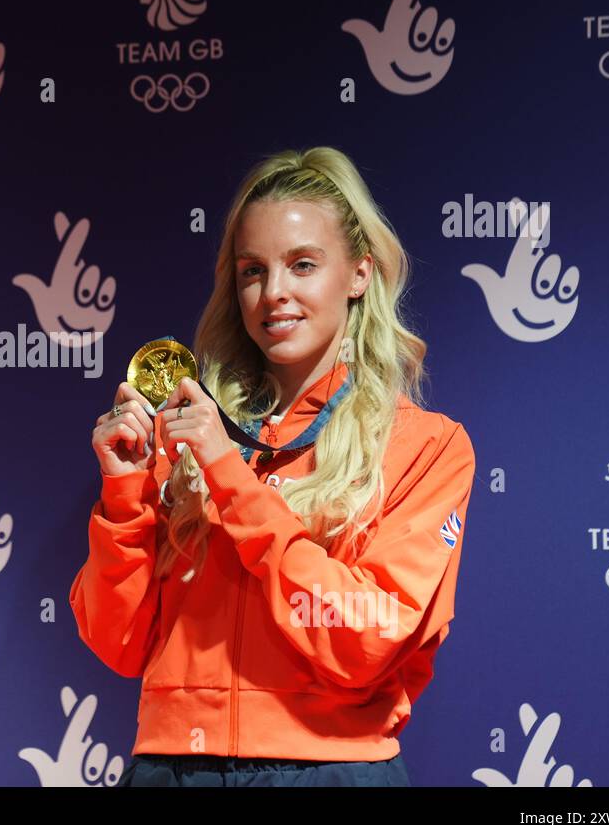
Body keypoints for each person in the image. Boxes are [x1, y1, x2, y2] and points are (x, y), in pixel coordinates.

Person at [70, 146, 477, 787]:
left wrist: (231, 479)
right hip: (172, 767)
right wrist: (125, 493)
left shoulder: (426, 446)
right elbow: (116, 644)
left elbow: (366, 639)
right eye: (252, 270)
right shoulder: (188, 439)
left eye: (303, 265)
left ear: (359, 274)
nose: (274, 293)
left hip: (330, 769)